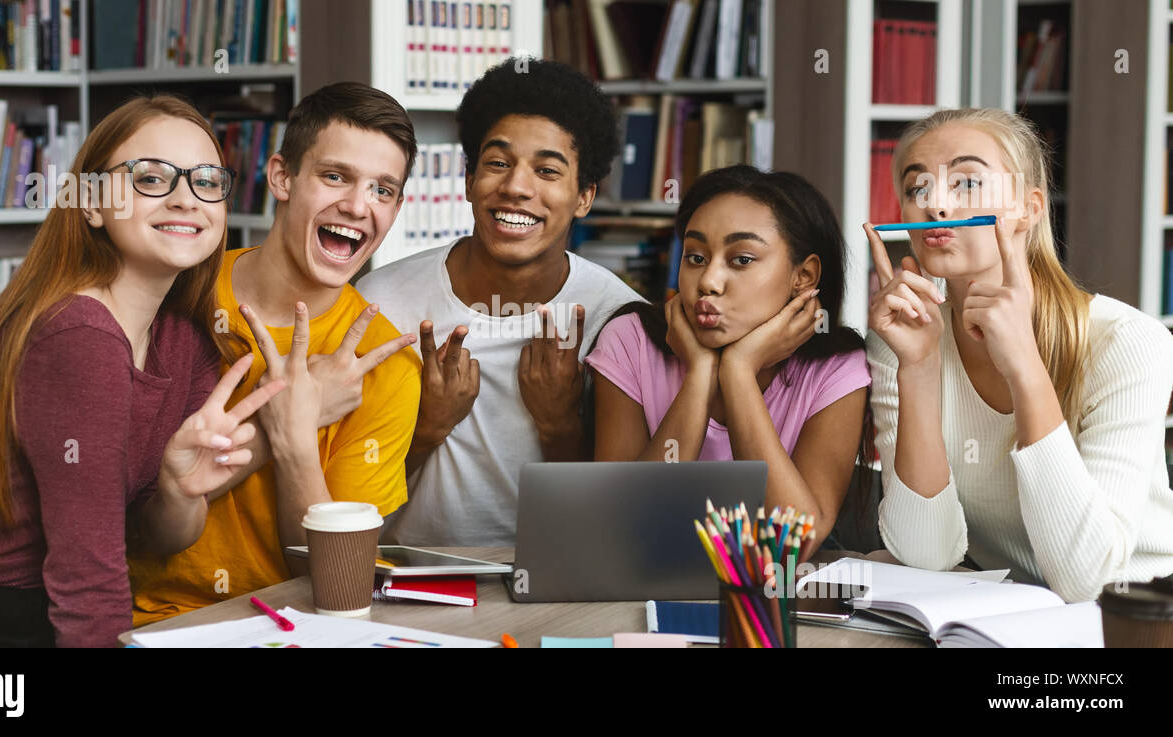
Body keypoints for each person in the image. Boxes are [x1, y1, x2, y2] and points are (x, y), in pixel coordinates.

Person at [0, 95, 283, 647]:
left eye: (207, 180)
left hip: (26, 605)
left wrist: (179, 490)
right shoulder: (78, 335)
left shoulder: (186, 343)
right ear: (91, 203)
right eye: (151, 178)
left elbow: (155, 537)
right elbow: (88, 579)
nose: (187, 198)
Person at [129, 83, 422, 624]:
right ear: (282, 177)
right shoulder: (177, 290)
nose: (358, 206)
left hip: (292, 627)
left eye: (383, 190)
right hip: (149, 620)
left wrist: (294, 440)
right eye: (335, 176)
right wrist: (270, 429)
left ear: (398, 207)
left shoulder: (385, 364)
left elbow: (336, 582)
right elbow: (128, 517)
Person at [867, 107, 1173, 602]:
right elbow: (926, 555)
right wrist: (919, 369)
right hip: (1004, 611)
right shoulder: (902, 339)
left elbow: (1087, 580)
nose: (936, 205)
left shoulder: (1129, 342)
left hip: (1140, 618)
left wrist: (1024, 364)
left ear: (1029, 208)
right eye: (917, 188)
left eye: (966, 183)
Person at [356, 59, 643, 547]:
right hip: (406, 583)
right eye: (497, 163)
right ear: (468, 180)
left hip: (559, 590)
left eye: (548, 170)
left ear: (584, 197)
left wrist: (559, 426)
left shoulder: (619, 320)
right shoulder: (379, 302)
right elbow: (346, 503)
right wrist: (426, 428)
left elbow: (619, 527)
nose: (516, 187)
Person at [585, 165, 871, 554]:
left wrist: (738, 373)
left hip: (767, 602)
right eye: (696, 257)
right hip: (638, 593)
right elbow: (619, 527)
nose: (708, 282)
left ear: (802, 277)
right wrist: (700, 375)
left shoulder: (836, 368)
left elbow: (796, 543)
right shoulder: (631, 341)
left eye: (741, 260)